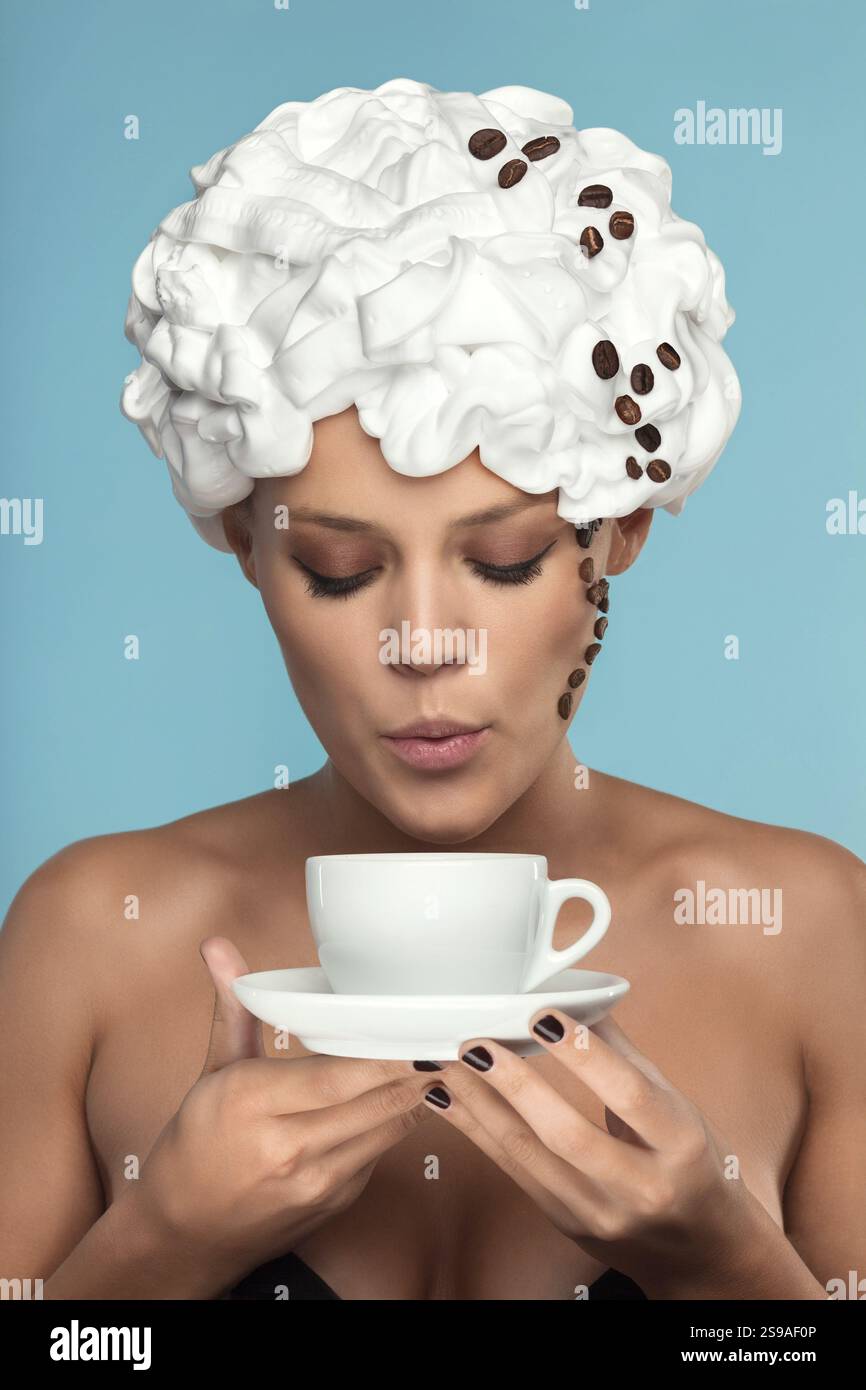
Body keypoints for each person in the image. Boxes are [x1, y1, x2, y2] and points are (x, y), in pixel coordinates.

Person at [0, 79, 862, 1302]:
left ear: (615, 534)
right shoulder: (89, 935)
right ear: (243, 540)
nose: (421, 645)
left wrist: (725, 1270)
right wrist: (155, 1252)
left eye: (501, 561)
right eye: (339, 571)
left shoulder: (812, 932)